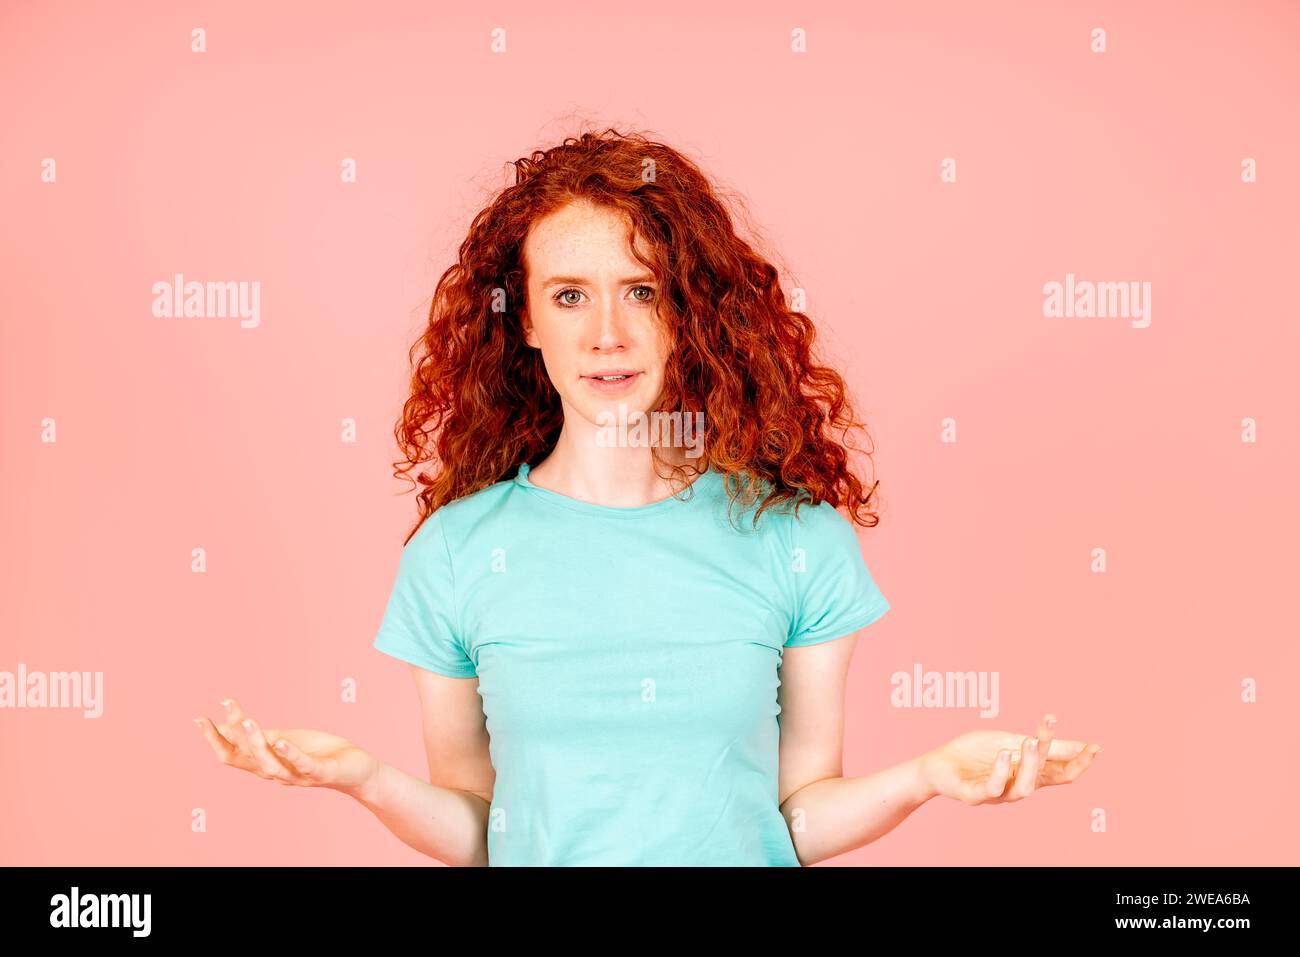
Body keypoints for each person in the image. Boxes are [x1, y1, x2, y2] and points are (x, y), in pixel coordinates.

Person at [195, 128, 1102, 867]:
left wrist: (930, 776)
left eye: (642, 291)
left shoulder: (797, 539)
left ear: (690, 314)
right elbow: (486, 831)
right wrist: (362, 777)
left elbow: (797, 818)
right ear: (526, 324)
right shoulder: (457, 553)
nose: (608, 334)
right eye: (569, 295)